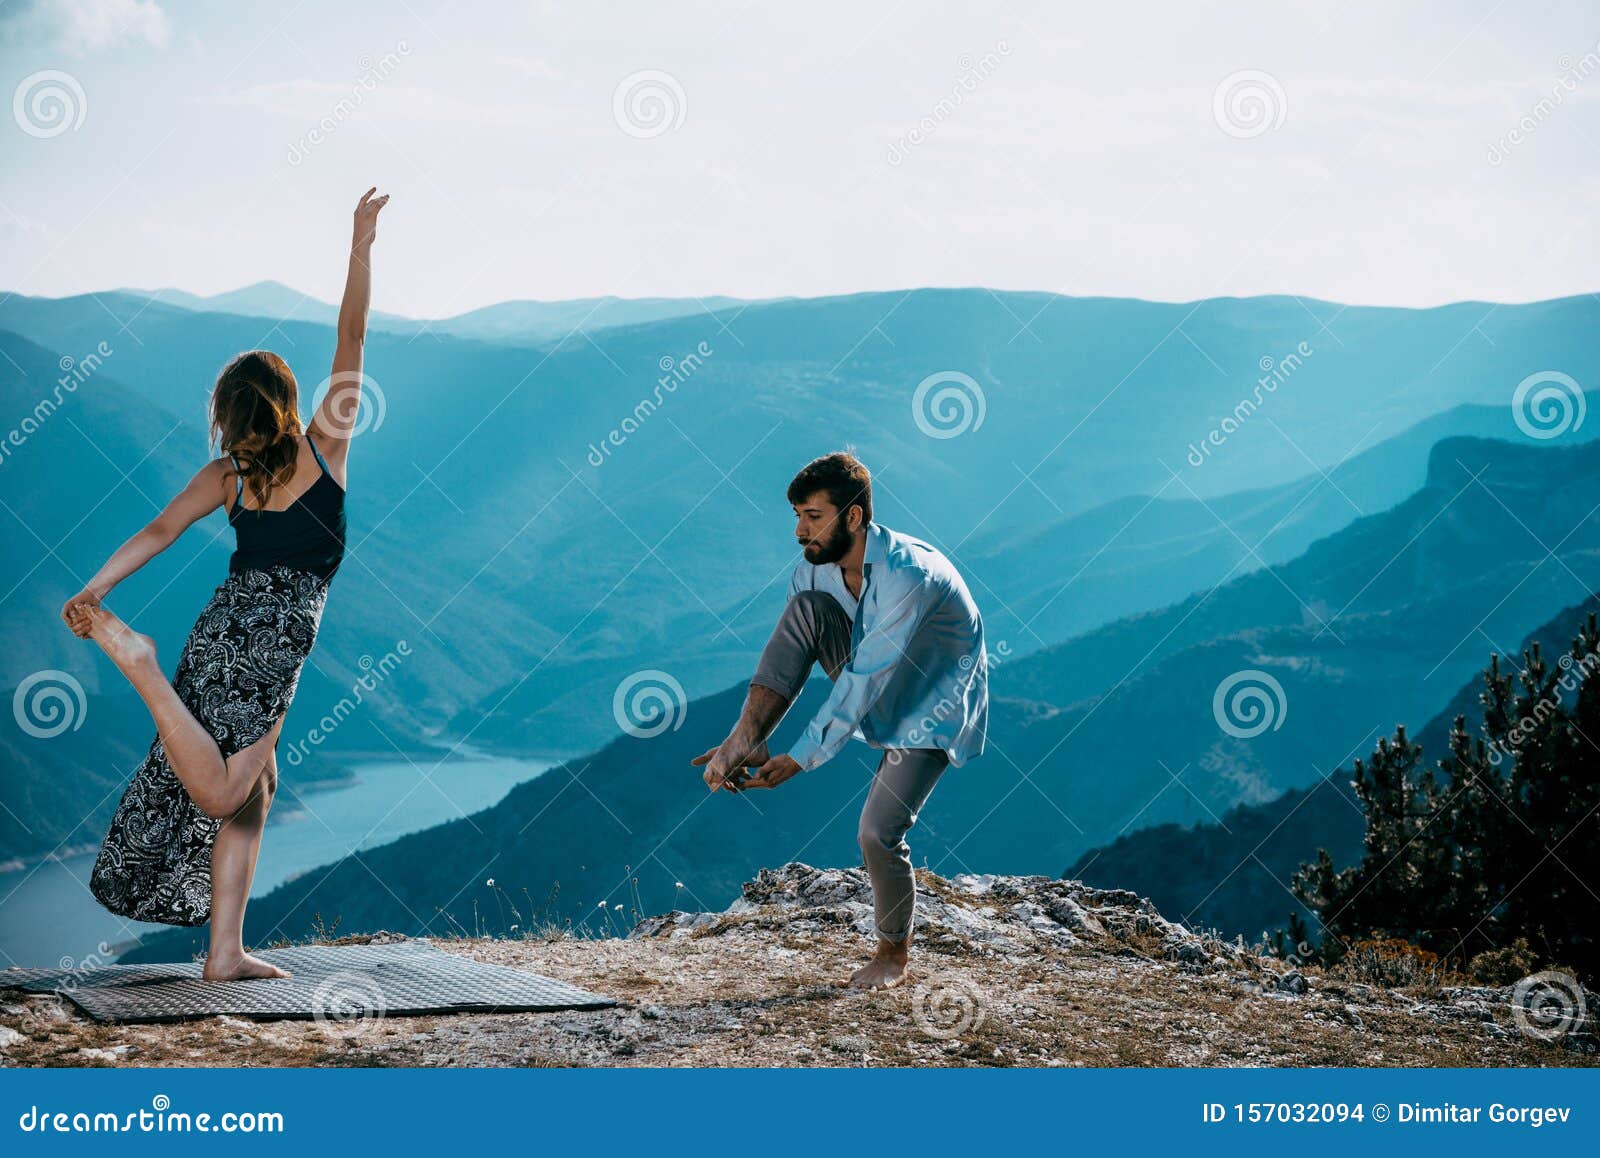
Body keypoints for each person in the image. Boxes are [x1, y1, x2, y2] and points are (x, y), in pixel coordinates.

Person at [60, 187, 390, 981]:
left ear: (231, 413)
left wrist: (96, 583)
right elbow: (353, 334)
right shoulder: (325, 451)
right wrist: (359, 246)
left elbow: (160, 530)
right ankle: (137, 665)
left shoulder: (228, 475)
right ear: (287, 404)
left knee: (258, 786)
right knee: (222, 790)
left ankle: (224, 953)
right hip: (276, 640)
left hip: (223, 625)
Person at [693, 451, 988, 989]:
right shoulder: (814, 565)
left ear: (852, 517)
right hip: (871, 677)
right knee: (804, 608)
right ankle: (745, 739)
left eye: (812, 515)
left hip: (931, 706)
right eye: (797, 516)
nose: (799, 530)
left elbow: (865, 679)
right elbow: (794, 650)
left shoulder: (907, 575)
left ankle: (892, 955)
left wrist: (802, 757)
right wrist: (753, 736)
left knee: (878, 832)